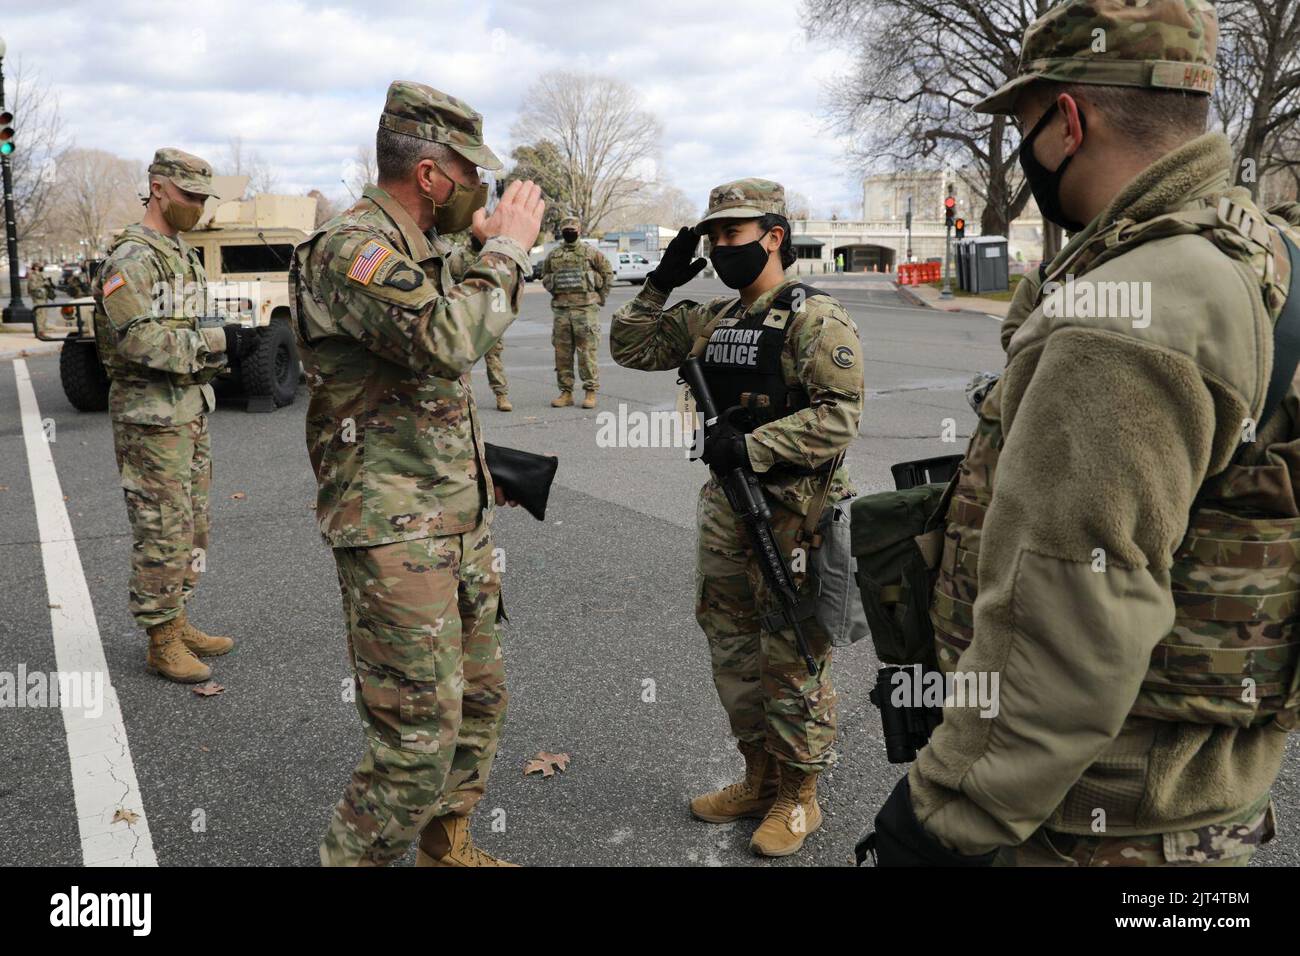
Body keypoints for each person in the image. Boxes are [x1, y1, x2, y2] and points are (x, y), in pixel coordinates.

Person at [868, 0, 1300, 867]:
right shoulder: (1269, 255)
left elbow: (1068, 614)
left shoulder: (1129, 316)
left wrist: (945, 820)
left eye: (1026, 124)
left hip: (1084, 824)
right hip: (1210, 807)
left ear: (1068, 120)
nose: (1027, 152)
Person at [291, 80, 544, 867]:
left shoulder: (415, 249)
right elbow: (444, 337)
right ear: (431, 174)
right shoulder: (351, 248)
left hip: (451, 521)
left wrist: (477, 249)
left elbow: (425, 353)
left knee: (478, 700)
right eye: (469, 172)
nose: (478, 188)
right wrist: (505, 248)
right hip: (394, 536)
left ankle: (446, 844)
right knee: (413, 744)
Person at [611, 179, 864, 857]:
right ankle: (759, 778)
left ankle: (798, 795)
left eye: (734, 234)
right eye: (713, 236)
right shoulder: (713, 319)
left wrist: (751, 446)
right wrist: (659, 282)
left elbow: (839, 418)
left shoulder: (815, 318)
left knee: (793, 656)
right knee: (733, 650)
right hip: (728, 510)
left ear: (773, 237)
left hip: (795, 515)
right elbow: (628, 346)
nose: (722, 247)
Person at [92, 148, 247, 683]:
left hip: (187, 409)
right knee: (162, 528)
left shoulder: (178, 252)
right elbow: (136, 340)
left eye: (204, 198)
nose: (198, 206)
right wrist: (215, 341)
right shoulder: (132, 259)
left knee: (193, 525)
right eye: (189, 196)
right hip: (150, 417)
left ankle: (178, 619)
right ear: (158, 188)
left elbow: (190, 322)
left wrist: (218, 343)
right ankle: (161, 638)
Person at [542, 215, 611, 409]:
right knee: (562, 354)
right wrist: (553, 287)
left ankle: (590, 392)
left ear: (579, 231)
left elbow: (607, 272)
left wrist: (601, 296)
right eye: (566, 229)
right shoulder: (554, 255)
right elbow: (545, 276)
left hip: (585, 311)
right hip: (561, 312)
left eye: (573, 229)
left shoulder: (590, 252)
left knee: (587, 354)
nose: (570, 232)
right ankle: (566, 393)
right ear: (562, 232)